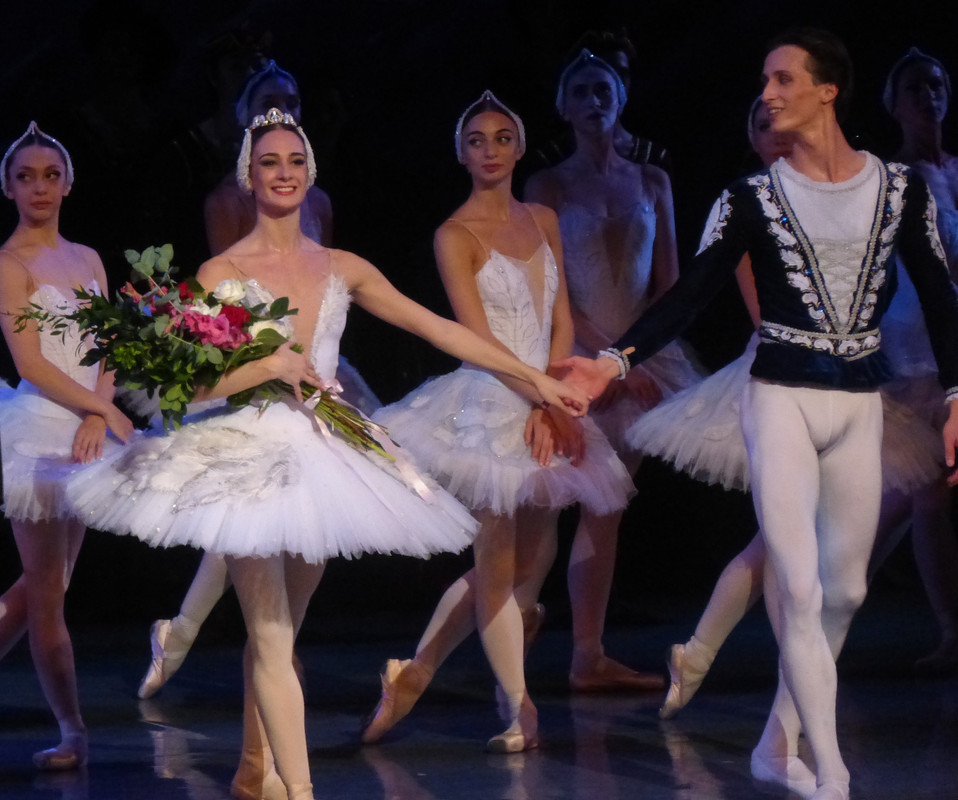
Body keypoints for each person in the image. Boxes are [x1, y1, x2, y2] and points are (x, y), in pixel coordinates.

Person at [64, 108, 586, 800]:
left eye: (295, 162)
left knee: (282, 629)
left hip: (321, 454)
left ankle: (255, 766)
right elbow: (193, 387)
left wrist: (539, 379)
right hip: (249, 453)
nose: (284, 173)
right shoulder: (224, 270)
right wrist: (268, 367)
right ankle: (299, 789)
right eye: (269, 162)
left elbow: (440, 329)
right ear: (248, 177)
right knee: (274, 639)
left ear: (311, 174)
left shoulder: (342, 267)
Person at [557, 30, 958, 800]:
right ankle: (832, 773)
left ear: (826, 91)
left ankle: (778, 742)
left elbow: (940, 294)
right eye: (765, 81)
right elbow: (691, 290)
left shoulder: (899, 189)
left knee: (847, 591)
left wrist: (956, 396)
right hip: (778, 396)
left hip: (860, 401)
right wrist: (614, 361)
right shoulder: (751, 199)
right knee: (800, 590)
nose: (768, 93)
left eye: (783, 79)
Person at [631, 98, 943, 743]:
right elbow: (760, 311)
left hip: (843, 378)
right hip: (778, 378)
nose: (777, 139)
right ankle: (741, 669)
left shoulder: (861, 194)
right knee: (784, 551)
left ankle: (709, 655)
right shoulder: (756, 206)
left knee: (798, 553)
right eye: (764, 132)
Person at [360, 91, 634, 751]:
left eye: (501, 137)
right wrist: (539, 398)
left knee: (522, 570)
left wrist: (562, 393)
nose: (489, 150)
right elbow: (475, 336)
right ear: (461, 152)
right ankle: (521, 710)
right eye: (476, 139)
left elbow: (561, 313)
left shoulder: (542, 216)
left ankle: (417, 669)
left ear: (517, 146)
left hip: (547, 396)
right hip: (489, 400)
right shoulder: (455, 233)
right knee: (498, 557)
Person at [135, 61, 379, 703]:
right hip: (251, 370)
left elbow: (321, 287)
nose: (283, 112)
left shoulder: (317, 201)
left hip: (312, 371)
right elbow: (239, 297)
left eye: (292, 103)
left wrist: (321, 366)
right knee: (246, 515)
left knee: (283, 522)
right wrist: (271, 366)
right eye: (268, 104)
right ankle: (194, 634)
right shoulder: (227, 199)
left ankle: (208, 648)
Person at [524, 48, 699, 690]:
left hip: (645, 359)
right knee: (544, 504)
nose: (595, 100)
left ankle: (587, 654)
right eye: (582, 91)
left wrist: (637, 358)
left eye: (605, 89)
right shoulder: (545, 187)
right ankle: (516, 630)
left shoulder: (652, 180)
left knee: (608, 506)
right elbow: (552, 290)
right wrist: (607, 361)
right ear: (564, 107)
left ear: (621, 99)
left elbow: (670, 285)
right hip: (571, 355)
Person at [0, 122, 135, 770]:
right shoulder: (9, 263)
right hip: (37, 427)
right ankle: (73, 731)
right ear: (7, 186)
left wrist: (97, 413)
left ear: (69, 182)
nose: (39, 187)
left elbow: (106, 349)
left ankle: (72, 729)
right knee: (45, 590)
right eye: (25, 176)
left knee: (43, 587)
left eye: (50, 175)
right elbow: (31, 362)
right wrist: (96, 407)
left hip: (84, 429)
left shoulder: (87, 258)